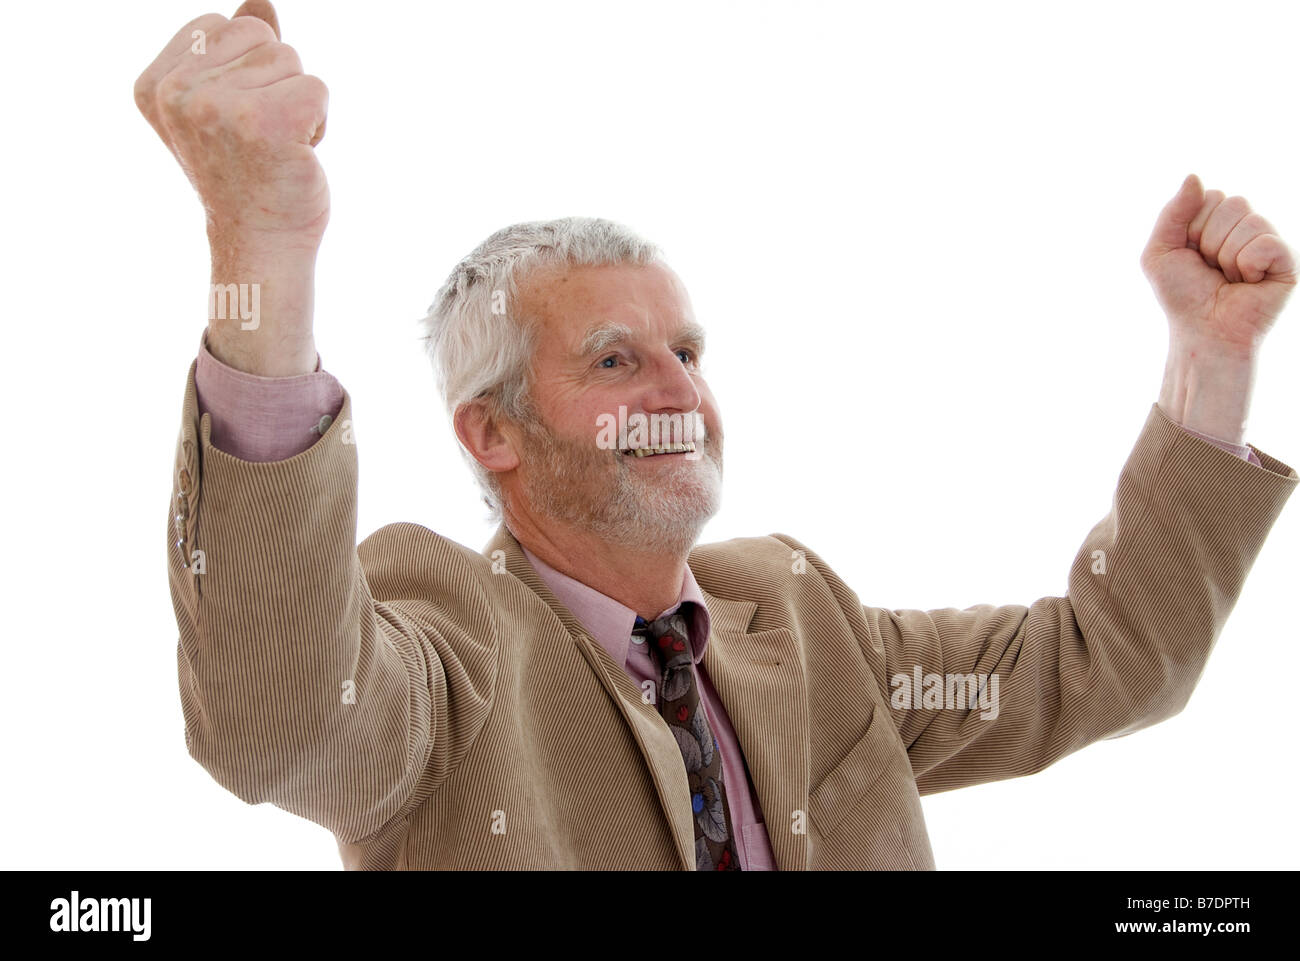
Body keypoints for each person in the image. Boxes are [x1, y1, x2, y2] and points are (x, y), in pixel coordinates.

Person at [138, 0, 1298, 869]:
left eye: (686, 353)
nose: (677, 392)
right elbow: (285, 725)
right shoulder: (449, 643)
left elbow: (1106, 665)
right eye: (613, 359)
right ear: (491, 432)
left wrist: (1212, 360)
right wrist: (259, 252)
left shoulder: (802, 620)